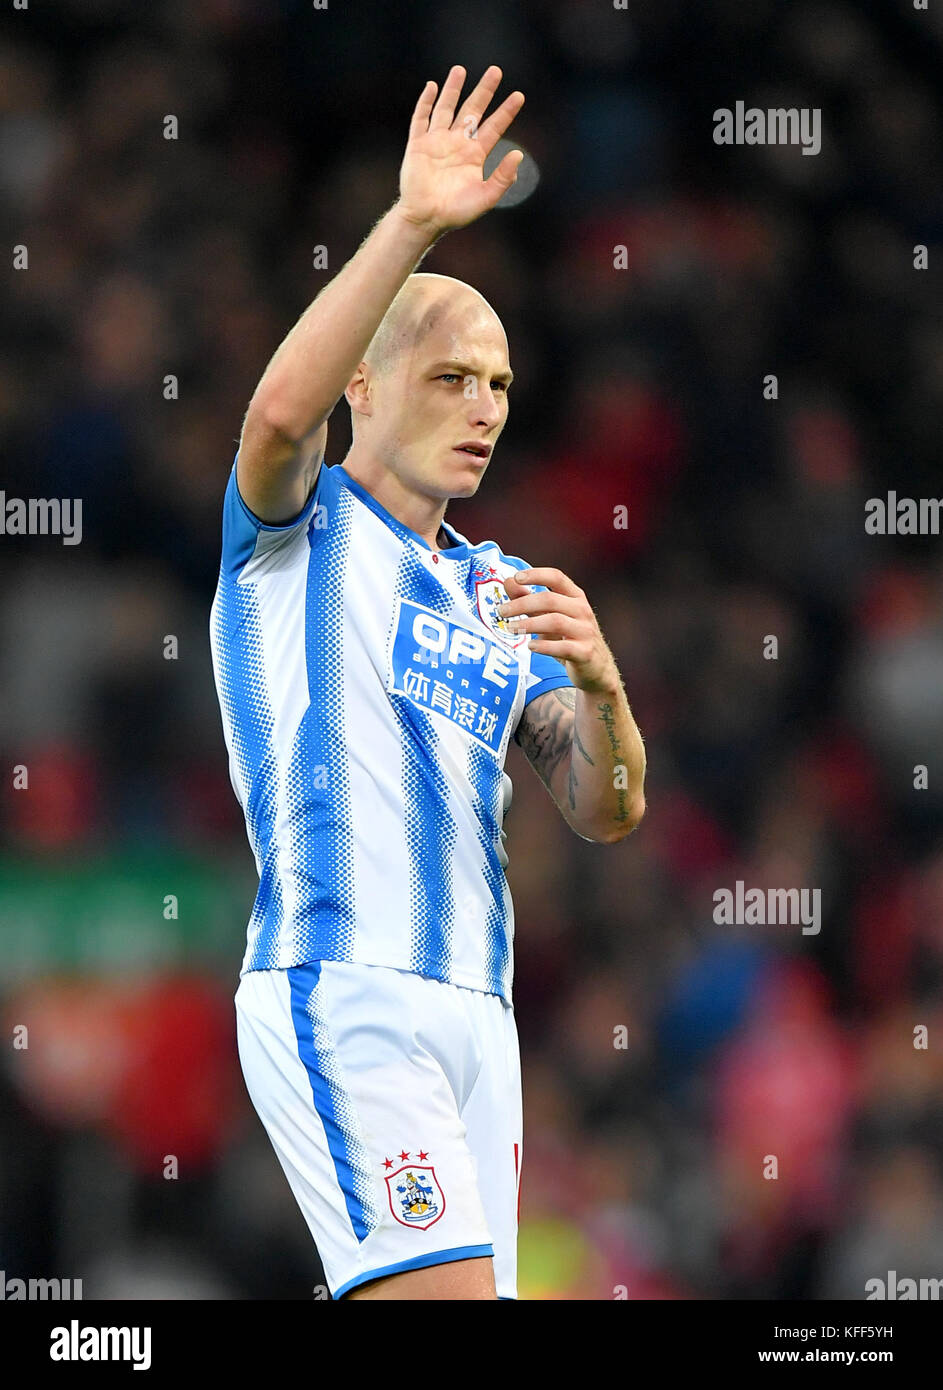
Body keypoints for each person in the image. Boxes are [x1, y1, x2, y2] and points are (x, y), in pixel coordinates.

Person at [209, 64, 646, 1301]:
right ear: (366, 385)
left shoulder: (498, 589)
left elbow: (605, 807)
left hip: (479, 1017)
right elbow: (274, 419)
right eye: (452, 376)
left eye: (501, 385)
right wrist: (412, 224)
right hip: (345, 987)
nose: (485, 408)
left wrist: (605, 693)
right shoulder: (296, 532)